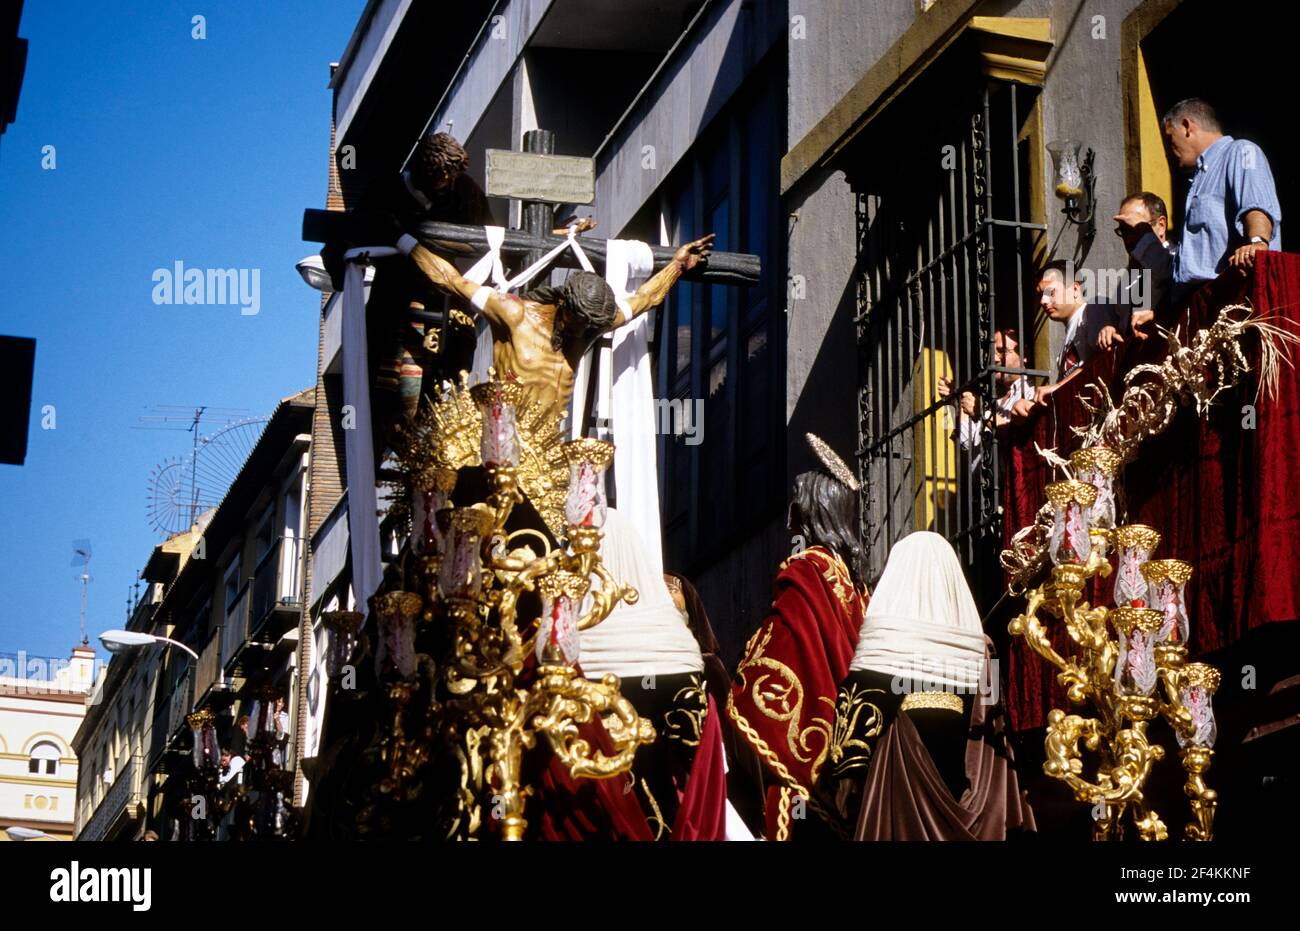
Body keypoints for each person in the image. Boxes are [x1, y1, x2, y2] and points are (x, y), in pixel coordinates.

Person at [827, 531, 1036, 840]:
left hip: (898, 804)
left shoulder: (887, 642)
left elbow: (855, 712)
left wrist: (847, 776)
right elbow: (995, 726)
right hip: (971, 800)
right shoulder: (983, 648)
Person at [395, 224, 715, 420]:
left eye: (590, 325)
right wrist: (402, 239)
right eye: (579, 322)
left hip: (549, 455)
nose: (583, 331)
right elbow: (451, 281)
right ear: (562, 304)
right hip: (501, 441)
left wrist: (677, 266)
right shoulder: (513, 313)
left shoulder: (588, 327)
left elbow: (646, 299)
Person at [728, 434, 871, 840]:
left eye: (796, 500)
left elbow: (783, 649)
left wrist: (743, 669)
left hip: (804, 759)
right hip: (844, 741)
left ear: (812, 508)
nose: (789, 514)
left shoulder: (803, 571)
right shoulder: (854, 581)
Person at [1162, 99, 1282, 302]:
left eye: (1170, 138)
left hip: (1232, 300)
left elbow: (1257, 206)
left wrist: (1258, 241)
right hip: (1199, 302)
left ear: (1186, 126)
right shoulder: (1198, 179)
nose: (1169, 149)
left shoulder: (1240, 151)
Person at [936, 328, 1033, 464]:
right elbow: (967, 443)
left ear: (1025, 354)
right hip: (983, 484)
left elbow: (1017, 435)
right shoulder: (993, 395)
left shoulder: (1031, 392)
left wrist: (982, 412)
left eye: (1003, 351)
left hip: (1012, 481)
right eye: (992, 352)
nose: (994, 359)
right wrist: (956, 399)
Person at [1098, 191, 1177, 349]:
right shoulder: (1128, 277)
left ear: (1161, 226)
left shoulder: (1179, 262)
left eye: (1135, 227)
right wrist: (1111, 329)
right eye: (1124, 230)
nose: (1129, 237)